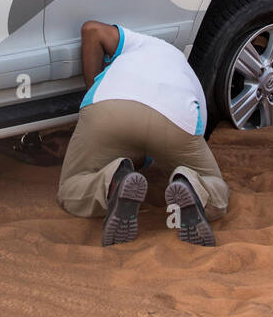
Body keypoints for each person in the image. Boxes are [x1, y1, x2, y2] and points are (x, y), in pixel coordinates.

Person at [57, 21, 229, 246]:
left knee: (71, 186)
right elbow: (188, 133)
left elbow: (91, 29)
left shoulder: (138, 43)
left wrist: (94, 92)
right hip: (176, 116)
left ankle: (114, 183)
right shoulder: (186, 74)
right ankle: (192, 186)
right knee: (213, 183)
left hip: (109, 106)